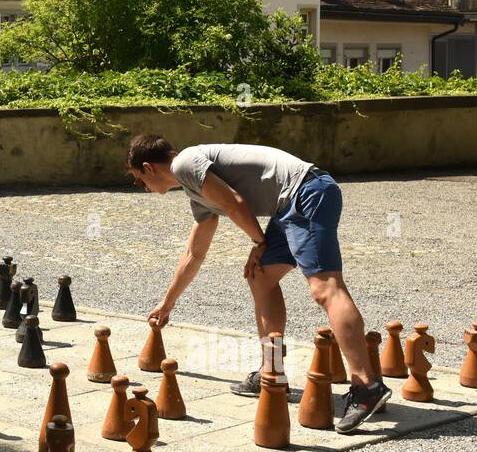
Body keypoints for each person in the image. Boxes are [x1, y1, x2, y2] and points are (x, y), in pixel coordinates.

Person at [125, 135, 390, 433]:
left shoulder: (186, 162)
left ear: (148, 168)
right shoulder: (195, 191)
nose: (143, 188)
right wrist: (168, 302)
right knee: (260, 276)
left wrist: (258, 242)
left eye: (138, 180)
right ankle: (271, 369)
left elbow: (236, 205)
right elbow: (194, 254)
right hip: (289, 203)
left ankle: (367, 386)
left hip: (308, 192)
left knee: (325, 288)